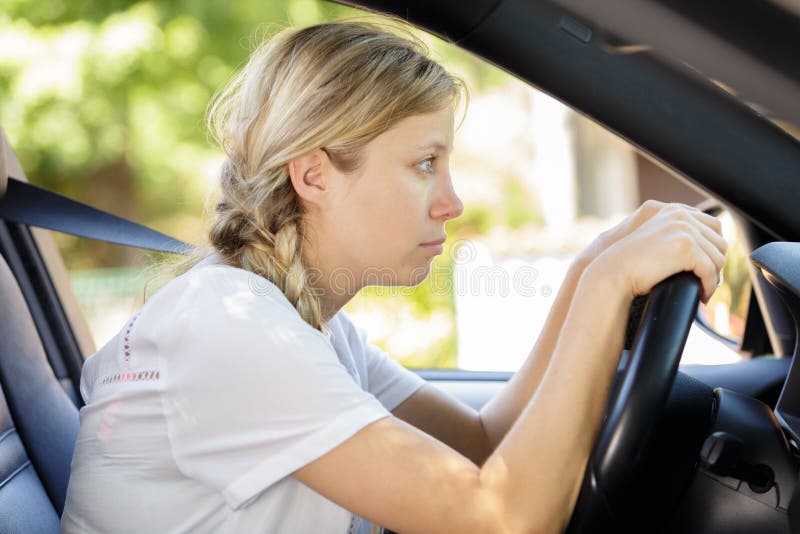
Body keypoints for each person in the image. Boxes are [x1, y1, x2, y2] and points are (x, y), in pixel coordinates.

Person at [61, 19, 728, 534]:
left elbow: (479, 444)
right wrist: (608, 290)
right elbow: (502, 519)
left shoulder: (304, 324)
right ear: (314, 174)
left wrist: (588, 273)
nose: (452, 200)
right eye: (423, 164)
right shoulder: (230, 331)